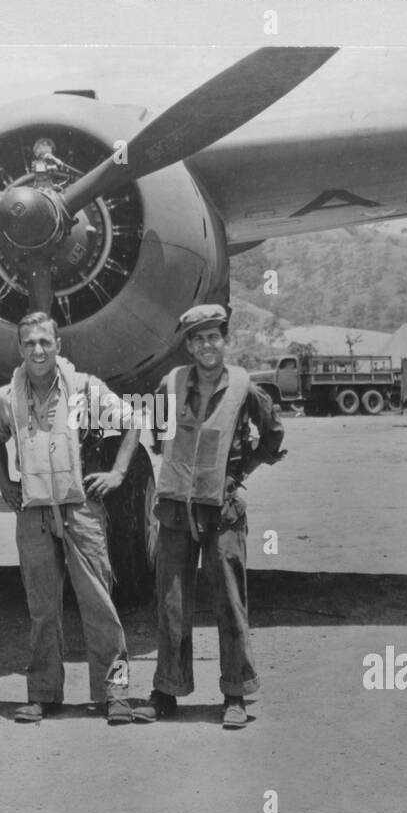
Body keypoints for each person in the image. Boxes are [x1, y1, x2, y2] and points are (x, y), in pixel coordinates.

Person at [0, 312, 153, 725]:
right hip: (35, 512)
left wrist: (116, 473)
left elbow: (132, 423)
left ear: (59, 344)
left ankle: (114, 693)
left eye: (45, 342)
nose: (38, 351)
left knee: (99, 603)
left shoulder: (84, 389)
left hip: (81, 509)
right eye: (29, 344)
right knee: (42, 608)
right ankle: (43, 694)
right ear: (20, 349)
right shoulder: (8, 396)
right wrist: (6, 483)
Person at [149, 304, 286, 729]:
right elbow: (155, 433)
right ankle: (167, 690)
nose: (207, 345)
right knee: (171, 602)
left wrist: (238, 472)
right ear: (188, 346)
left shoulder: (246, 387)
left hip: (222, 511)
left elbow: (273, 435)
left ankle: (235, 693)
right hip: (174, 510)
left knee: (229, 600)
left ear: (225, 341)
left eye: (215, 337)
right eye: (198, 339)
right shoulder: (169, 383)